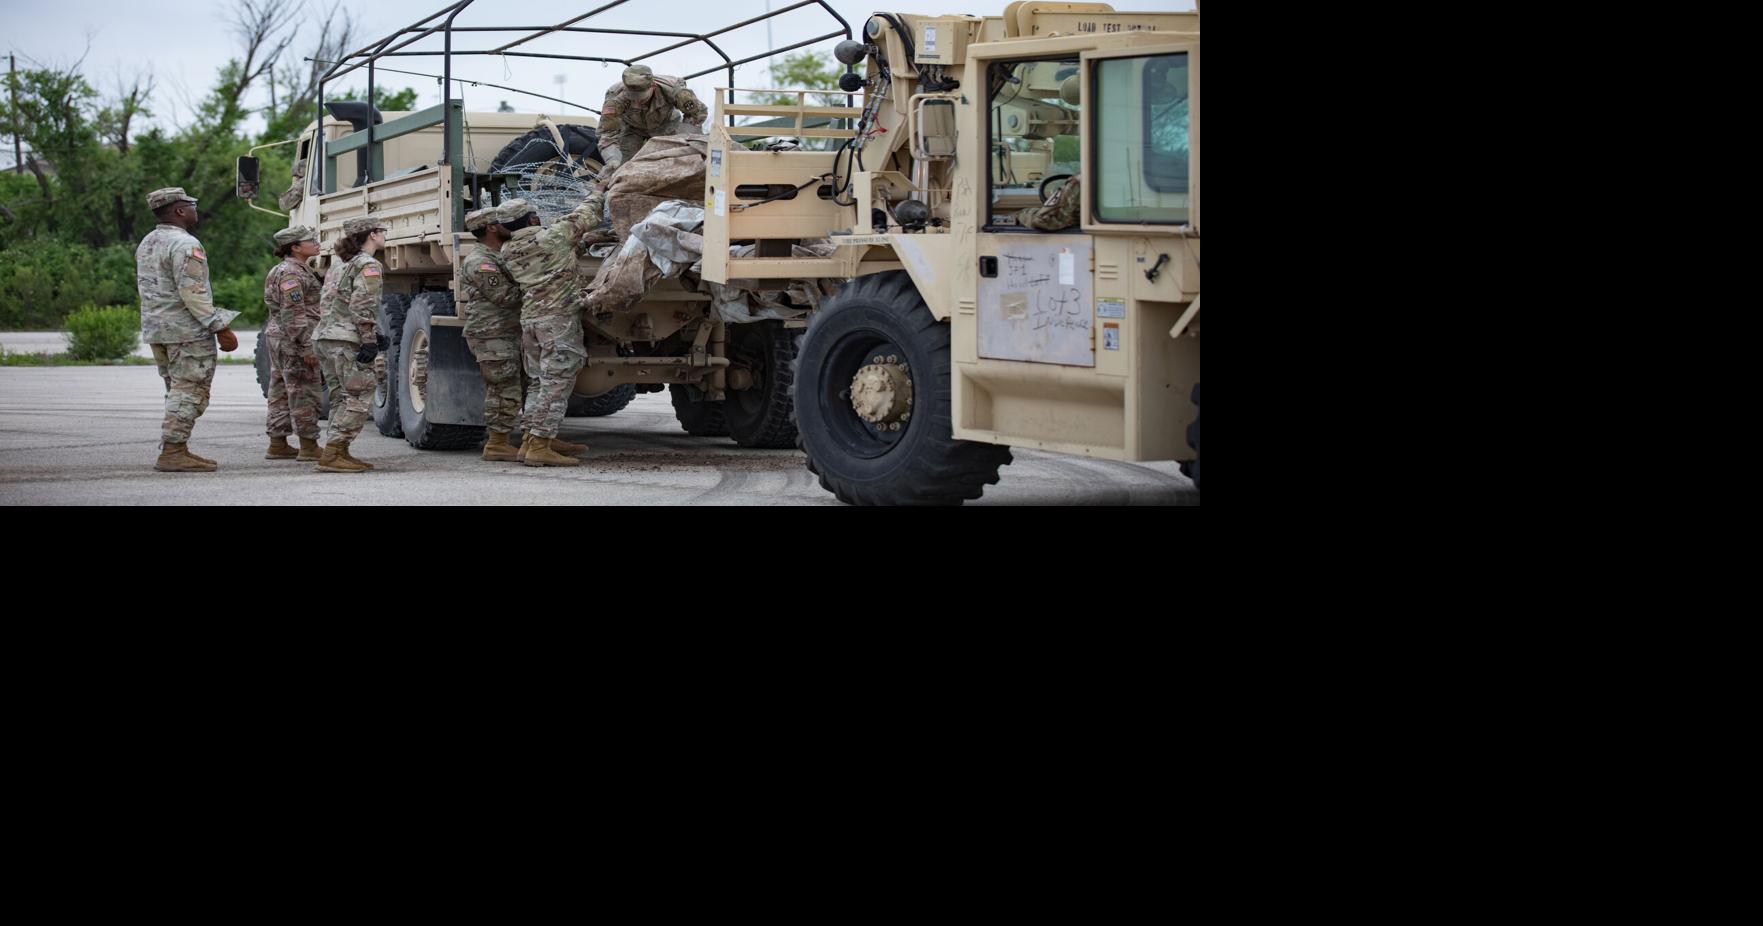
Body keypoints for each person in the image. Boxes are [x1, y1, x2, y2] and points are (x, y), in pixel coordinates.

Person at [135, 186, 239, 472]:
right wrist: (220, 327)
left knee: (176, 390)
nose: (195, 209)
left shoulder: (148, 241)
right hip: (186, 331)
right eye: (191, 205)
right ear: (180, 211)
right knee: (190, 391)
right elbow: (192, 291)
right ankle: (172, 452)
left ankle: (178, 448)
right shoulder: (185, 244)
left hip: (158, 329)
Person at [501, 193, 604, 466]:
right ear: (533, 218)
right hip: (557, 322)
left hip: (531, 321)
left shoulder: (508, 250)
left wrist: (581, 244)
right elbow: (587, 213)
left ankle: (529, 439)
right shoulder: (553, 236)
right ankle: (539, 445)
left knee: (537, 382)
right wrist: (600, 189)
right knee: (556, 383)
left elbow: (552, 259)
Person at [313, 216, 389, 472]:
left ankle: (338, 451)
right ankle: (334, 452)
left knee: (339, 398)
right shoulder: (369, 265)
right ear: (372, 235)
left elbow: (332, 302)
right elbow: (362, 304)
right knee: (359, 396)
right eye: (381, 230)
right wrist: (369, 339)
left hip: (326, 337)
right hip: (347, 340)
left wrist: (373, 333)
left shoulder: (339, 264)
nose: (384, 234)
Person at [459, 202, 529, 461]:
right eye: (502, 222)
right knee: (503, 389)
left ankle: (521, 439)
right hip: (491, 334)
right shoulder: (481, 262)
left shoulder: (497, 256)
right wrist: (541, 287)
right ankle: (497, 443)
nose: (507, 226)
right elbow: (505, 296)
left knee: (518, 386)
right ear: (491, 229)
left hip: (505, 332)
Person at [261, 225, 325, 461]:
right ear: (296, 247)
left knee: (279, 389)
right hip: (294, 340)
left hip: (279, 338)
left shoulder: (284, 270)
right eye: (311, 240)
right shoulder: (292, 274)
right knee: (304, 390)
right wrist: (306, 345)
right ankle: (309, 446)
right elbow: (294, 313)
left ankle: (277, 443)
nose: (317, 243)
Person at [596, 65, 709, 180]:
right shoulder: (614, 99)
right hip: (632, 129)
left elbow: (698, 112)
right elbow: (607, 134)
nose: (636, 103)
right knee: (621, 168)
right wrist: (612, 159)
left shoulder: (674, 90)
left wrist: (683, 139)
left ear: (653, 87)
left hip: (667, 127)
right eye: (632, 98)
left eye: (641, 98)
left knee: (674, 165)